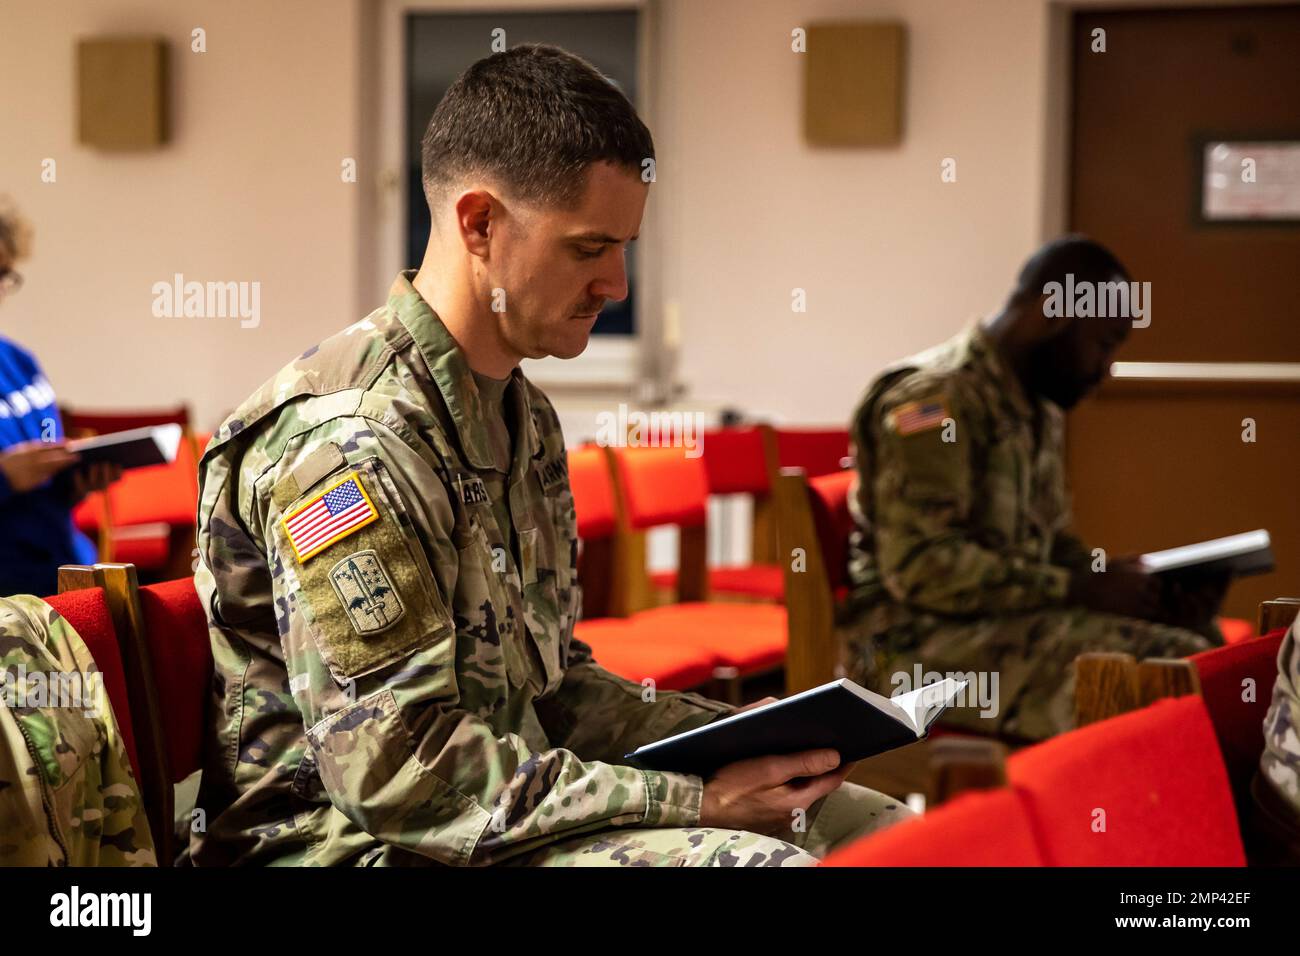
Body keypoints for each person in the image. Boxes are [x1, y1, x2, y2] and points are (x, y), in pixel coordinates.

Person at [188, 44, 910, 867]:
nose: (619, 284)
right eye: (588, 248)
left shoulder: (521, 417)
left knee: (870, 828)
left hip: (495, 815)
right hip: (349, 846)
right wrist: (697, 798)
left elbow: (553, 690)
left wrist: (743, 741)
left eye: (623, 247)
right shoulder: (354, 442)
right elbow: (400, 771)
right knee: (760, 862)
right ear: (480, 223)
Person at [842, 236, 1223, 741]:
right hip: (908, 650)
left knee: (1205, 644)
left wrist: (1122, 584)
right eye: (1103, 343)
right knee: (1168, 671)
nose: (1105, 369)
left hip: (997, 625)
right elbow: (922, 567)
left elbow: (1052, 545)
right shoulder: (932, 401)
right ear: (1051, 312)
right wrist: (1077, 588)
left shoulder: (1035, 406)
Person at [0, 200, 118, 598]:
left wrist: (73, 481)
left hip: (67, 571)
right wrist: (4, 478)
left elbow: (42, 479)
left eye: (2, 274)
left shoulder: (18, 361)